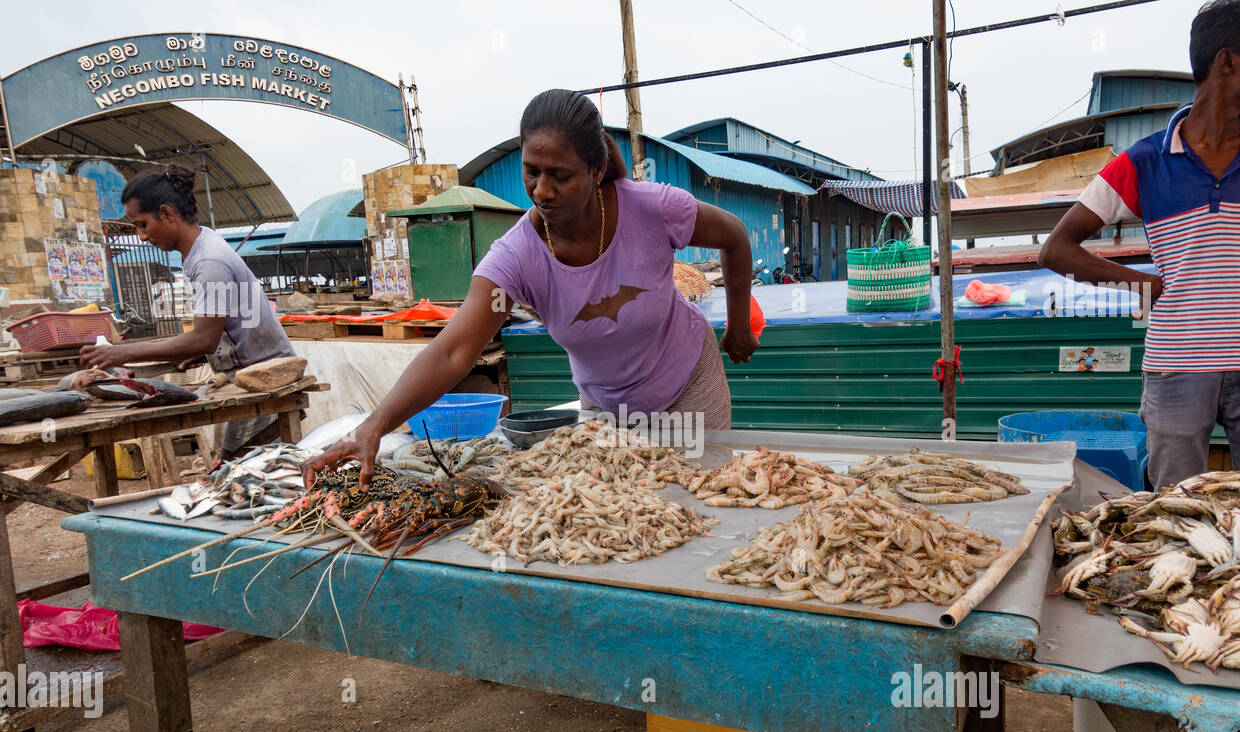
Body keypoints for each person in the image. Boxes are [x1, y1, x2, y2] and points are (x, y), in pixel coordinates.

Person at [305, 89, 758, 487]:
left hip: (687, 386)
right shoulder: (518, 255)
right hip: (605, 407)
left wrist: (737, 326)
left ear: (596, 170)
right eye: (531, 171)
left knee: (701, 502)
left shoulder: (652, 209)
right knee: (627, 514)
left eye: (560, 176)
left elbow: (734, 236)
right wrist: (375, 425)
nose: (542, 191)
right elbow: (452, 352)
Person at [1040, 0, 1240, 489]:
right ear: (1228, 60)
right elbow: (1056, 249)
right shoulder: (1143, 162)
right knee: (1176, 515)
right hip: (1177, 365)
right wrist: (1147, 286)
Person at [79, 165, 298, 457]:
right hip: (251, 372)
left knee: (246, 472)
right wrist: (214, 350)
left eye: (143, 225)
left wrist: (124, 353)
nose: (142, 237)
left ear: (168, 214)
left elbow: (202, 338)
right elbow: (227, 324)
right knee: (241, 469)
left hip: (266, 377)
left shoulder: (209, 261)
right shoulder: (200, 247)